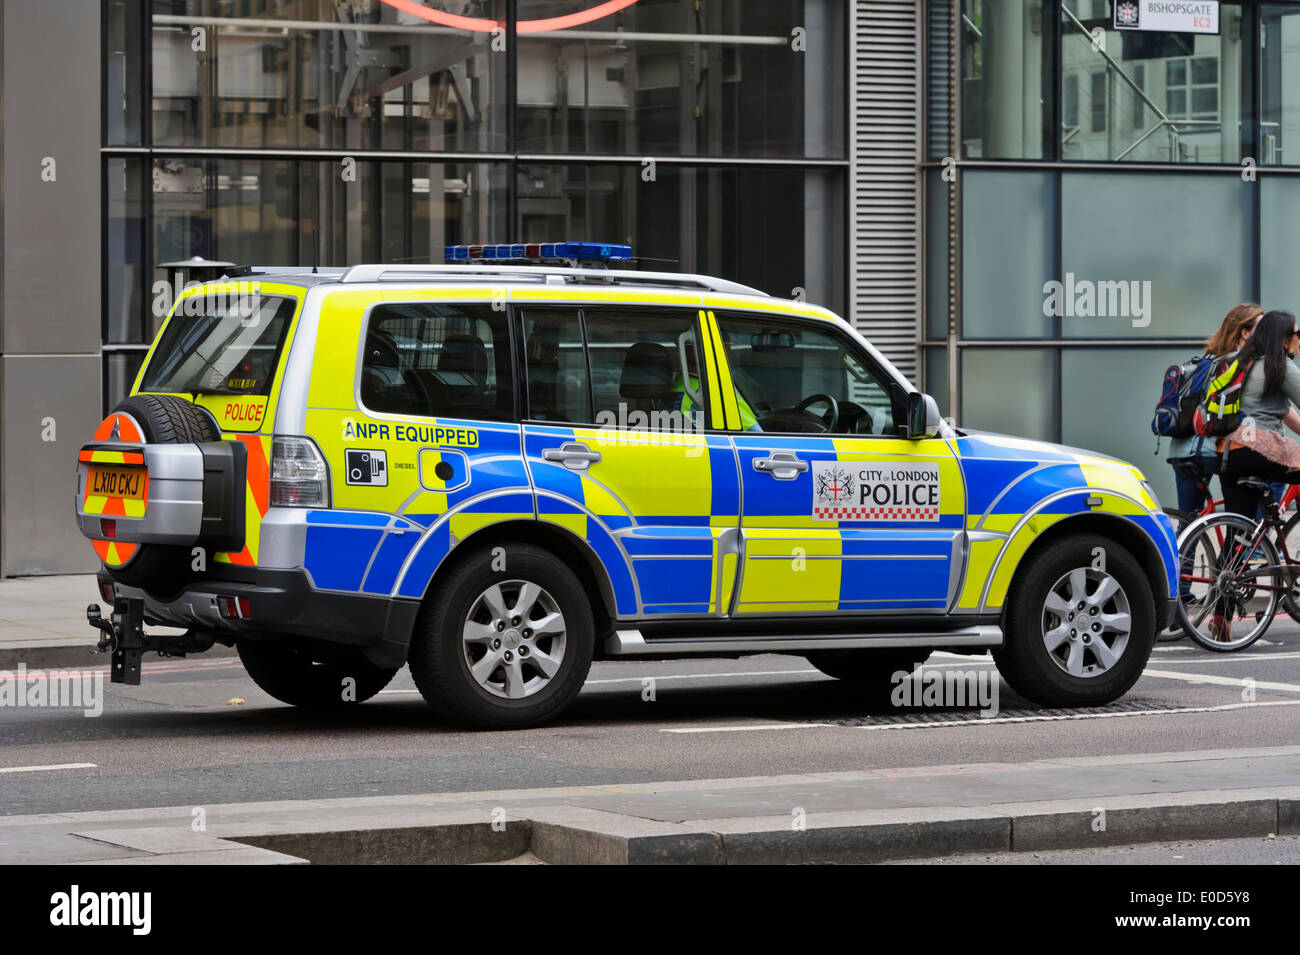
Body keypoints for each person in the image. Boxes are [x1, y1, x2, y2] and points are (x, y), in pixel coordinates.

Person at [1167, 303, 1261, 515]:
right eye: (1260, 329)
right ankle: (1254, 547)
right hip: (1216, 450)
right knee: (1248, 517)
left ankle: (1184, 547)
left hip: (1181, 451)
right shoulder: (1242, 366)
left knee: (1188, 521)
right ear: (1245, 333)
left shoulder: (1202, 362)